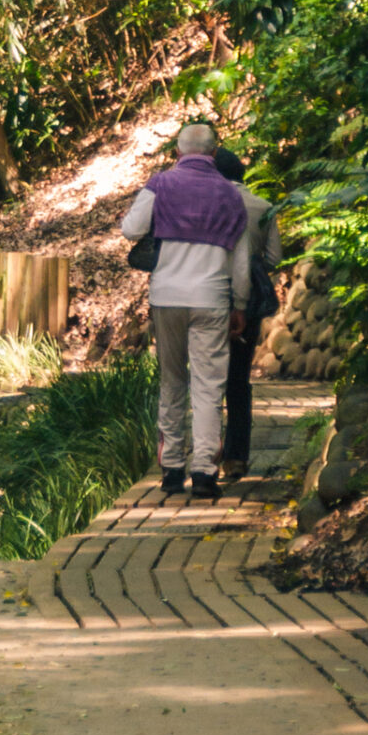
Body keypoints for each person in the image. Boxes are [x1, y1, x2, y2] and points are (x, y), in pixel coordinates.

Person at [120, 122, 252, 503]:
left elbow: (131, 230)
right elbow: (240, 261)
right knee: (209, 386)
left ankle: (172, 469)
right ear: (214, 154)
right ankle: (205, 474)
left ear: (177, 154)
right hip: (212, 298)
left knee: (172, 380)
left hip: (167, 296)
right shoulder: (231, 195)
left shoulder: (160, 185)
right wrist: (239, 305)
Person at [213, 146, 283, 481]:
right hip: (249, 301)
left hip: (208, 295)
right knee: (238, 380)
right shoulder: (264, 207)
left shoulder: (205, 206)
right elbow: (273, 259)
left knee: (208, 377)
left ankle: (207, 453)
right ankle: (236, 458)